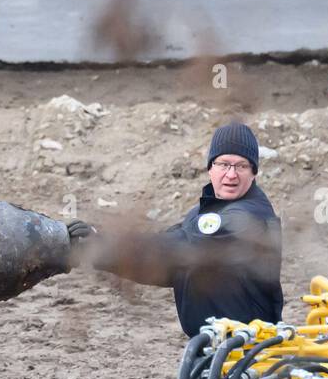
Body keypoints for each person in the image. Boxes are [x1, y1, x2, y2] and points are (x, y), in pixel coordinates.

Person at [72, 122, 284, 337]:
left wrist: (102, 246)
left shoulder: (249, 216)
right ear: (210, 168)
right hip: (215, 350)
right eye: (224, 164)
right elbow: (163, 262)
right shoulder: (201, 213)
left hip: (251, 353)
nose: (231, 175)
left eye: (241, 166)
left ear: (254, 172)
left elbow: (174, 251)